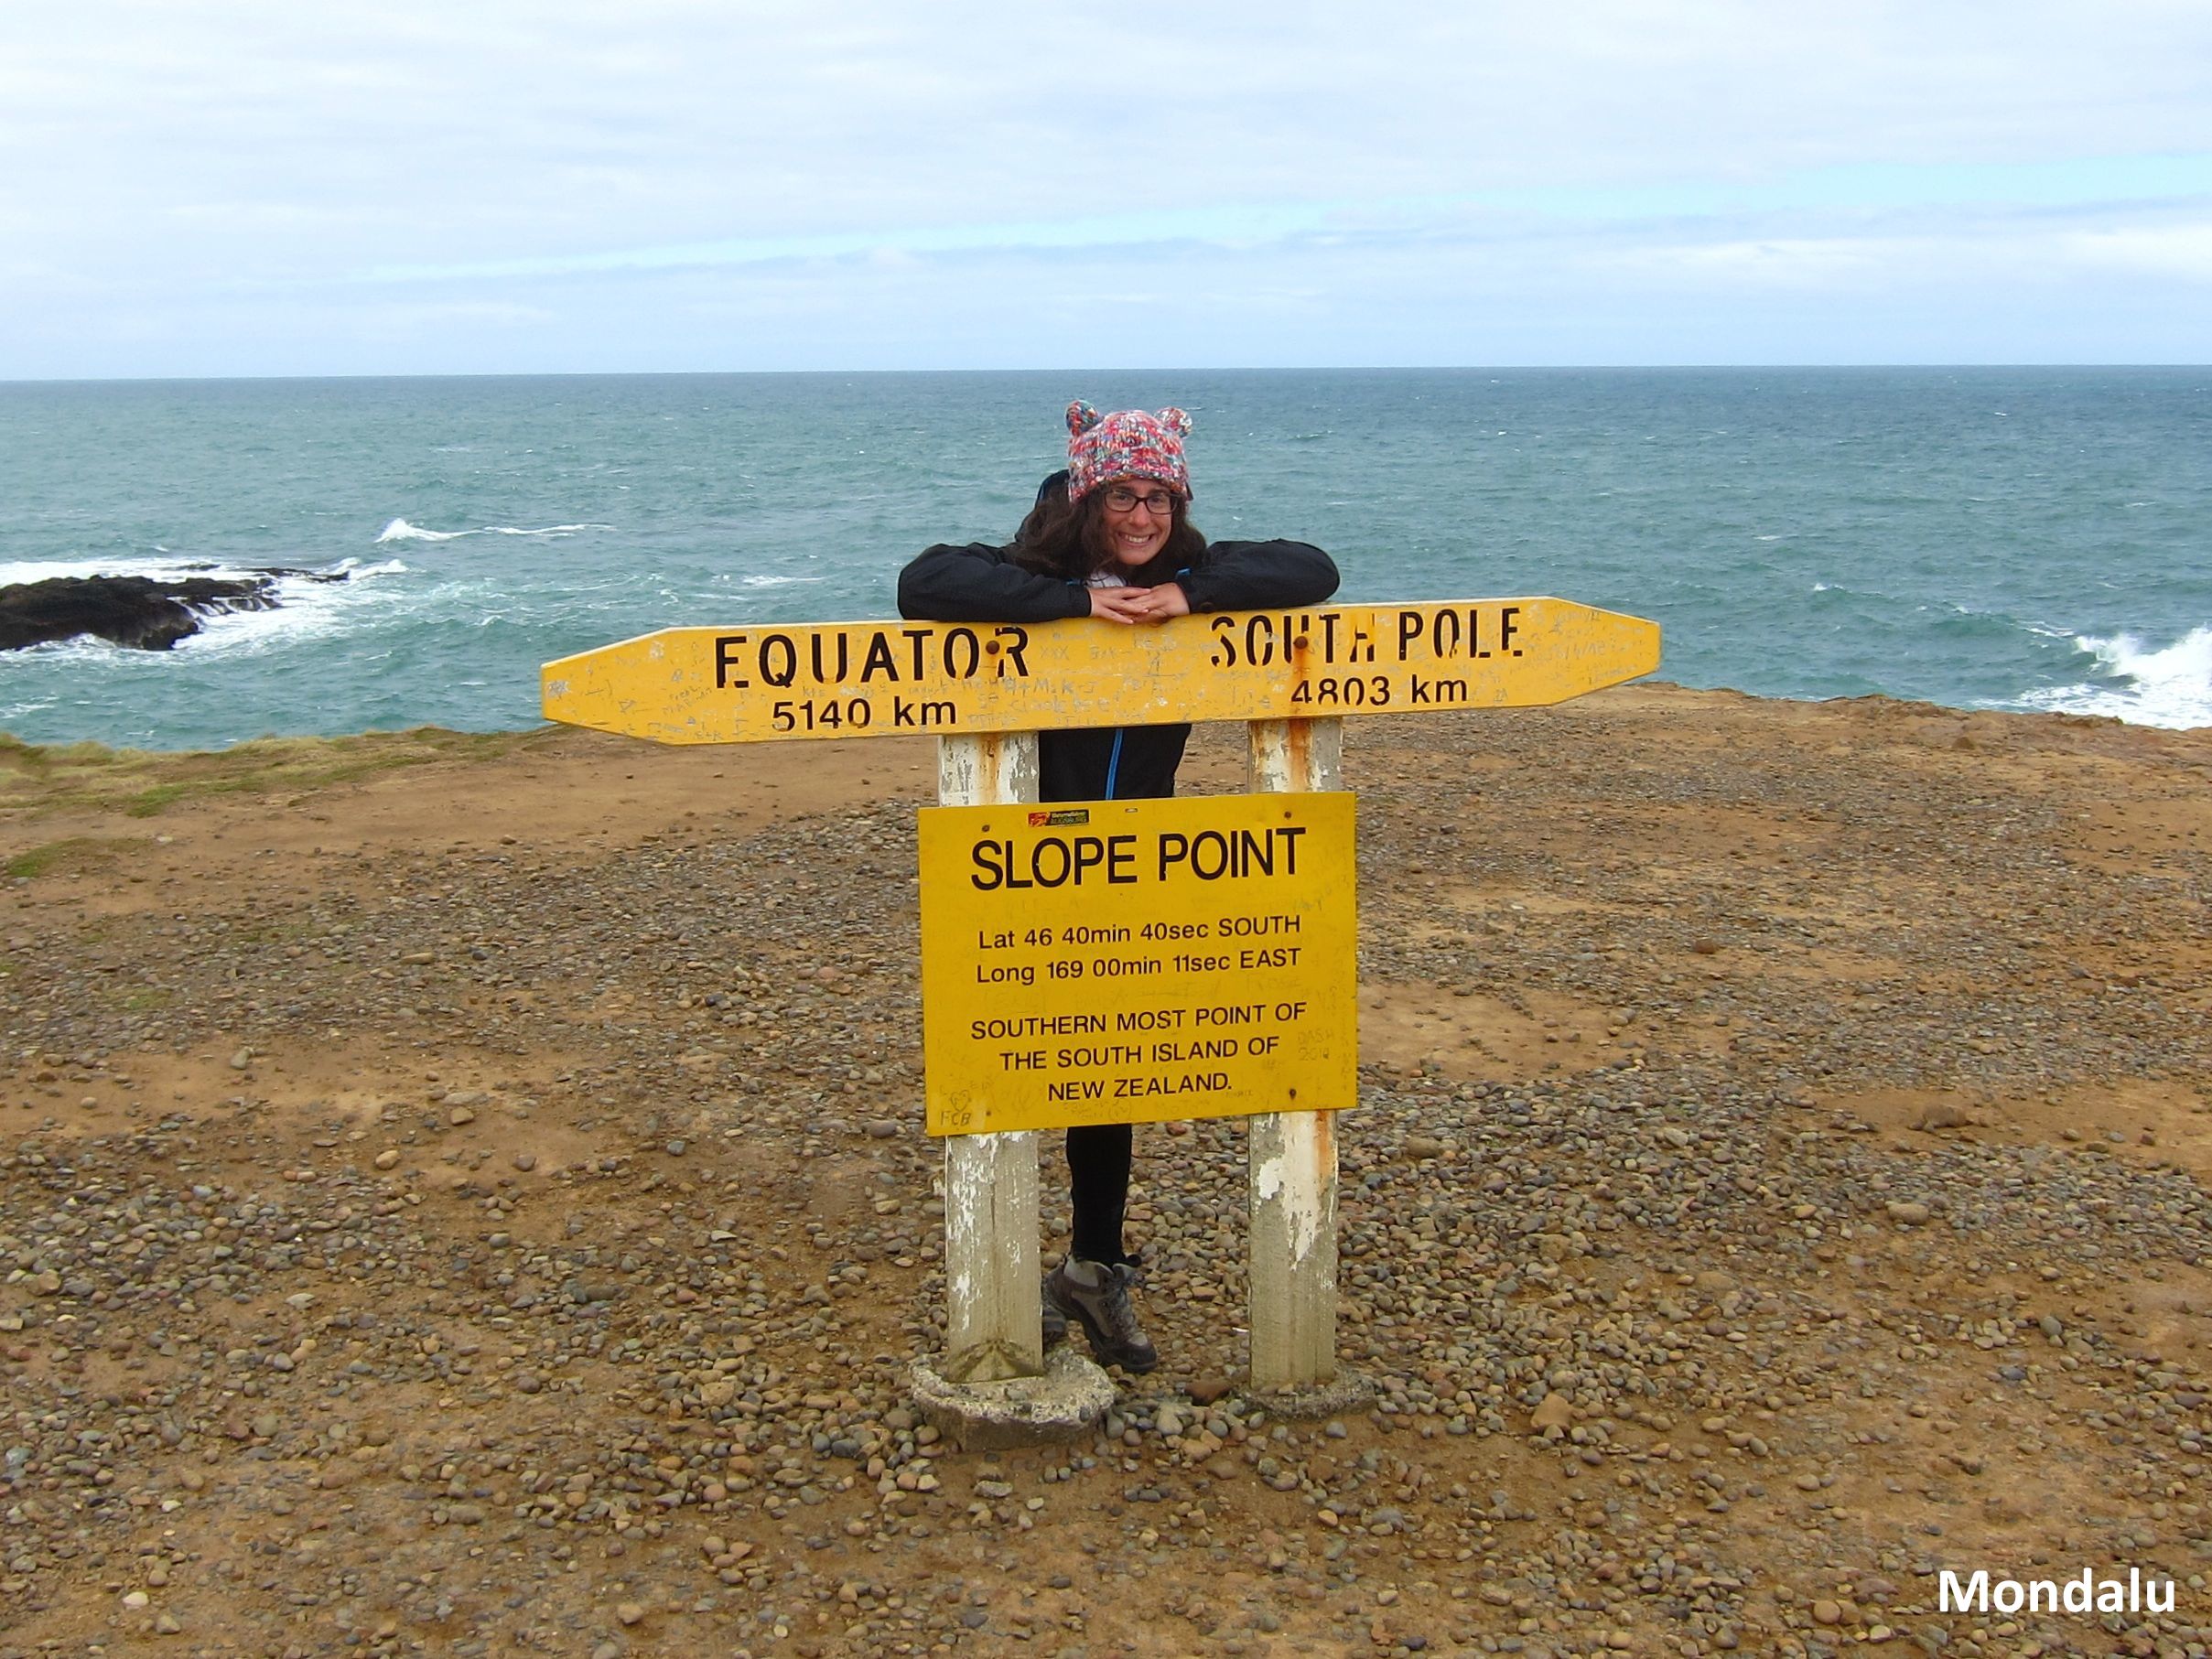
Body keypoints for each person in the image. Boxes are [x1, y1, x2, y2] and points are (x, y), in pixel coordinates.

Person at [899, 401, 1340, 1372]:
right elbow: (922, 581)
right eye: (1120, 497)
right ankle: (1000, 1274)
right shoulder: (1036, 572)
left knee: (1109, 1071)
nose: (1139, 517)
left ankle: (1093, 1265)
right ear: (1087, 499)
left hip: (1130, 870)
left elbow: (1311, 569)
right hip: (1025, 868)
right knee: (1012, 1059)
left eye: (1156, 497)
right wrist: (1069, 608)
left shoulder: (1189, 574)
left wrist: (1189, 600)